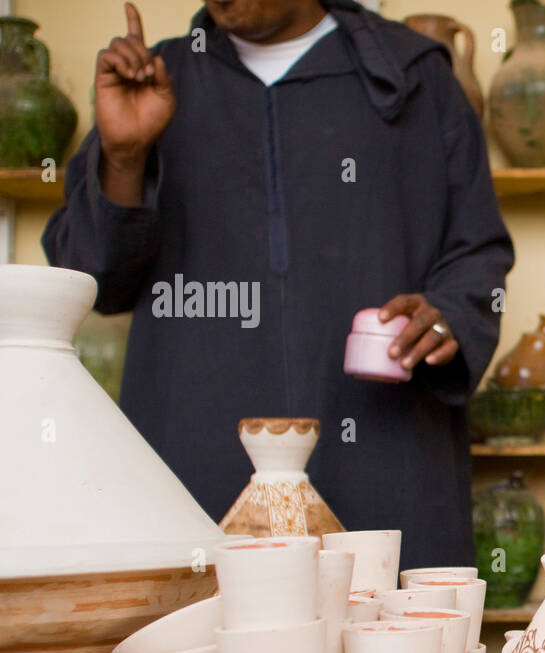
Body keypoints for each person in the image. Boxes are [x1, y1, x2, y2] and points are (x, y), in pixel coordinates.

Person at [43, 0, 513, 567]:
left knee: (392, 637)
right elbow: (92, 277)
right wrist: (123, 155)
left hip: (382, 444)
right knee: (191, 645)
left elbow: (478, 250)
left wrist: (447, 316)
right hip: (196, 448)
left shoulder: (414, 75)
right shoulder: (160, 79)